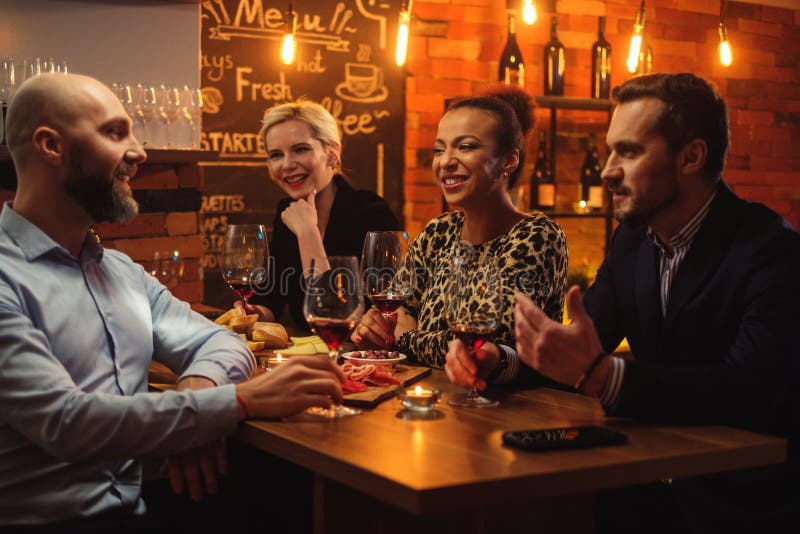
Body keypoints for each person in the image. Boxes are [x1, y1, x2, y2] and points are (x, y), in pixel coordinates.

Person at [447, 73, 800, 532]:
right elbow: (576, 348)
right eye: (611, 149)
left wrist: (604, 375)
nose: (608, 169)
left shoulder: (772, 249)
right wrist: (500, 362)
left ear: (691, 157)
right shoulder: (633, 239)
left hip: (740, 503)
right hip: (640, 487)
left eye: (629, 152)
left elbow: (747, 386)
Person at [0, 73, 346, 529]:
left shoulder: (121, 272)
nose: (140, 152)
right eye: (114, 133)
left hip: (145, 503)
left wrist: (194, 406)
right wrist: (237, 403)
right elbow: (69, 424)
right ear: (51, 146)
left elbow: (221, 343)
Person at [354, 85, 568, 380]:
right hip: (431, 407)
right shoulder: (439, 232)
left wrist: (406, 338)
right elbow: (393, 317)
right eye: (439, 149)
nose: (446, 161)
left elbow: (485, 350)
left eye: (465, 146)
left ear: (509, 160)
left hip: (511, 415)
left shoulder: (536, 235)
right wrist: (377, 327)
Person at [240, 99, 400, 328]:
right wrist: (252, 311)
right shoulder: (288, 212)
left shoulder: (372, 213)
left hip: (361, 358)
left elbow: (340, 315)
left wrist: (307, 233)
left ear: (332, 152)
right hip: (310, 355)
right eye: (275, 155)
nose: (286, 164)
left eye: (300, 149)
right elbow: (270, 299)